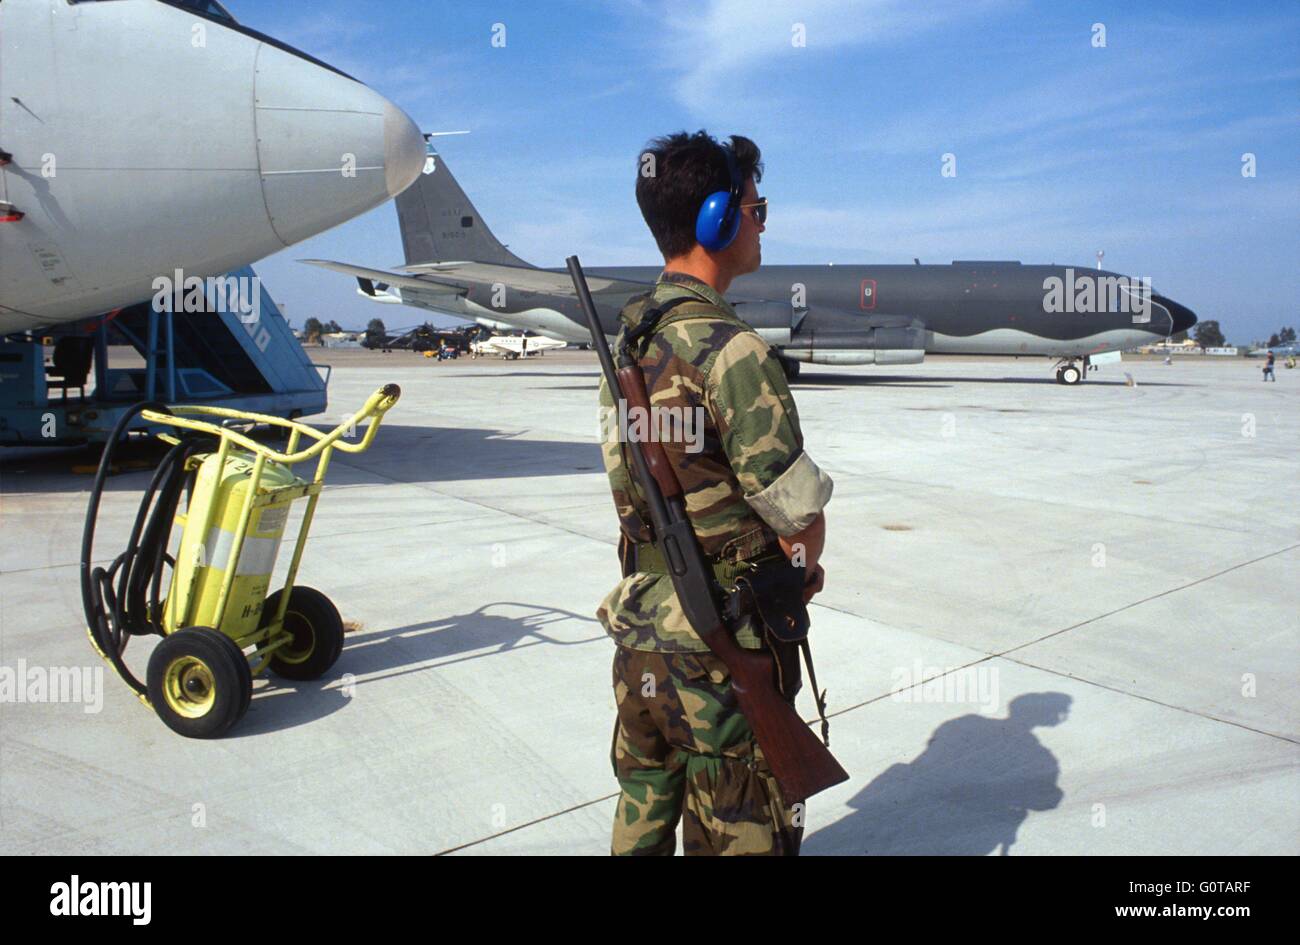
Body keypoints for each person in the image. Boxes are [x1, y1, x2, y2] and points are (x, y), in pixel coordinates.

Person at [596, 131, 834, 856]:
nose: (762, 222)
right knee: (738, 825)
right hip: (723, 641)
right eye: (756, 207)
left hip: (641, 629)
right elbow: (797, 517)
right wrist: (802, 570)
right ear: (718, 221)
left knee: (642, 801)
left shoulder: (631, 342)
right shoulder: (732, 350)